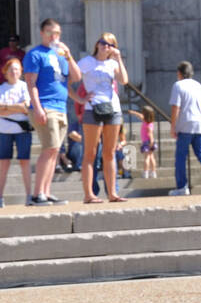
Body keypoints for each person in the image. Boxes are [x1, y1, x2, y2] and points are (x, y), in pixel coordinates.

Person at [23, 18, 82, 206]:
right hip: (46, 106)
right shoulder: (35, 54)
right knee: (49, 149)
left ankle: (46, 193)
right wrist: (38, 107)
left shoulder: (61, 55)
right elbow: (31, 83)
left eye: (57, 33)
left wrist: (69, 56)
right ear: (42, 33)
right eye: (50, 32)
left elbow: (76, 77)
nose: (53, 36)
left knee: (55, 151)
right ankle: (37, 194)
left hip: (61, 107)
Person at [77, 32, 128, 203]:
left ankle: (112, 192)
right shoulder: (87, 62)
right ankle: (88, 194)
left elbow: (124, 80)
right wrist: (80, 99)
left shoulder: (113, 63)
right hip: (93, 108)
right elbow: (70, 79)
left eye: (110, 44)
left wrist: (119, 59)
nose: (106, 46)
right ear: (97, 44)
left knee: (110, 153)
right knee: (90, 153)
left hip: (112, 108)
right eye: (103, 43)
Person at [169, 61, 201, 195]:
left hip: (185, 124)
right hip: (200, 124)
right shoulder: (199, 86)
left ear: (179, 73)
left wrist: (173, 126)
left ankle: (182, 187)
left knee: (181, 156)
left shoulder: (178, 85)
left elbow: (176, 107)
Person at [0, 56, 33, 207]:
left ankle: (29, 195)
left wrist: (6, 107)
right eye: (11, 69)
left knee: (25, 161)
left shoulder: (25, 87)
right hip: (3, 130)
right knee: (3, 163)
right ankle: (0, 197)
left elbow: (26, 108)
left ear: (21, 71)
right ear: (5, 72)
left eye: (17, 69)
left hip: (22, 130)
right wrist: (16, 107)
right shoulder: (1, 88)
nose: (14, 72)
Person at [139, 105, 157, 177]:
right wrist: (133, 112)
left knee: (147, 158)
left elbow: (150, 134)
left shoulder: (146, 123)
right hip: (149, 142)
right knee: (152, 157)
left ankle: (146, 172)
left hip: (148, 142)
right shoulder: (149, 122)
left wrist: (151, 142)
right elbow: (140, 115)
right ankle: (153, 172)